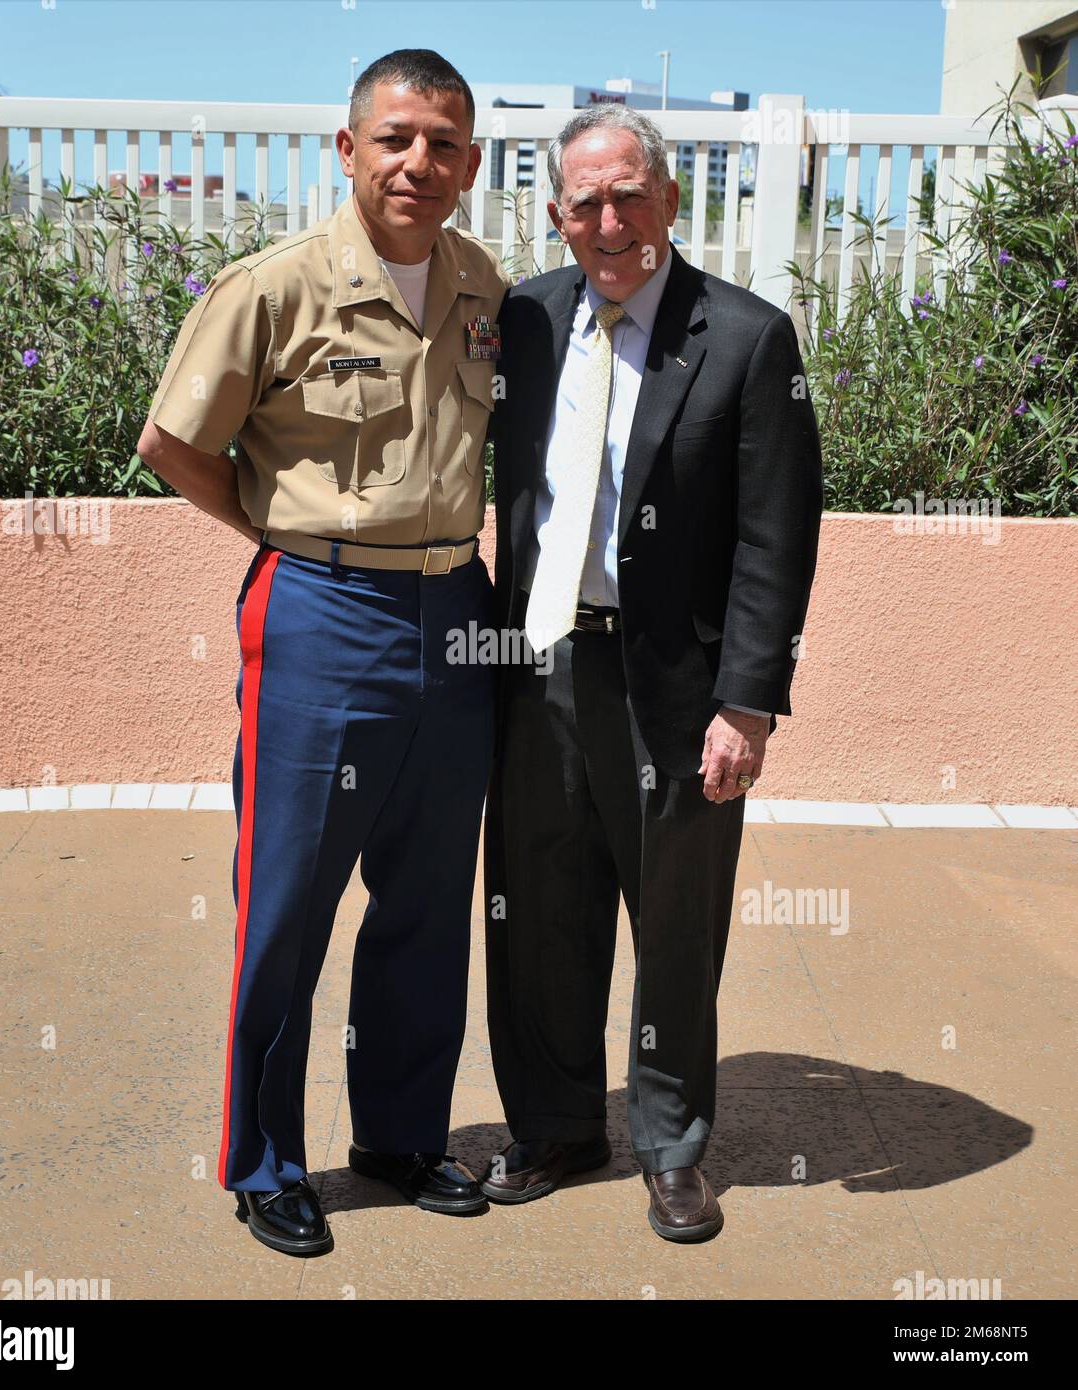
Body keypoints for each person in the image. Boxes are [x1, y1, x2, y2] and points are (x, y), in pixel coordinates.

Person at [137, 49, 508, 1257]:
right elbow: (174, 439)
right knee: (287, 903)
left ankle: (400, 1136)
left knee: (426, 896)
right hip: (322, 614)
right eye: (396, 137)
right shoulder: (274, 288)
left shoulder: (483, 286)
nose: (420, 161)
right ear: (347, 149)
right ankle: (263, 1160)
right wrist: (282, 535)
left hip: (457, 613)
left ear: (469, 163)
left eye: (444, 142)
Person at [479, 103, 823, 1241]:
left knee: (675, 925)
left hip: (675, 684)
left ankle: (672, 1146)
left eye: (631, 194)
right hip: (535, 666)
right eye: (587, 200)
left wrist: (747, 702)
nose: (611, 219)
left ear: (671, 200)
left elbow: (777, 532)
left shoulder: (746, 335)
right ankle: (558, 1123)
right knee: (538, 910)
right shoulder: (522, 321)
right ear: (557, 213)